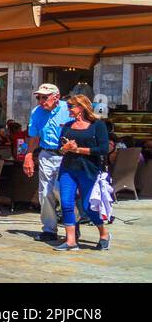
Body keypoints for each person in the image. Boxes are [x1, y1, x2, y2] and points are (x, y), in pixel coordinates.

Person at [54, 94, 111, 251]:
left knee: (87, 206)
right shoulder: (67, 126)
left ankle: (104, 233)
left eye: (71, 107)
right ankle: (71, 240)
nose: (68, 110)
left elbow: (103, 149)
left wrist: (77, 149)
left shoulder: (97, 125)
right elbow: (59, 150)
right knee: (66, 203)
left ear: (81, 107)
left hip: (88, 169)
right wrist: (64, 149)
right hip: (68, 169)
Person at [23, 83, 70, 243]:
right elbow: (34, 137)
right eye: (39, 97)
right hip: (46, 154)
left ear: (56, 97)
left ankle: (74, 222)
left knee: (60, 190)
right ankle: (49, 229)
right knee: (45, 193)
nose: (41, 101)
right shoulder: (36, 112)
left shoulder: (68, 109)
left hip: (67, 156)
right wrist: (28, 155)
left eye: (45, 97)